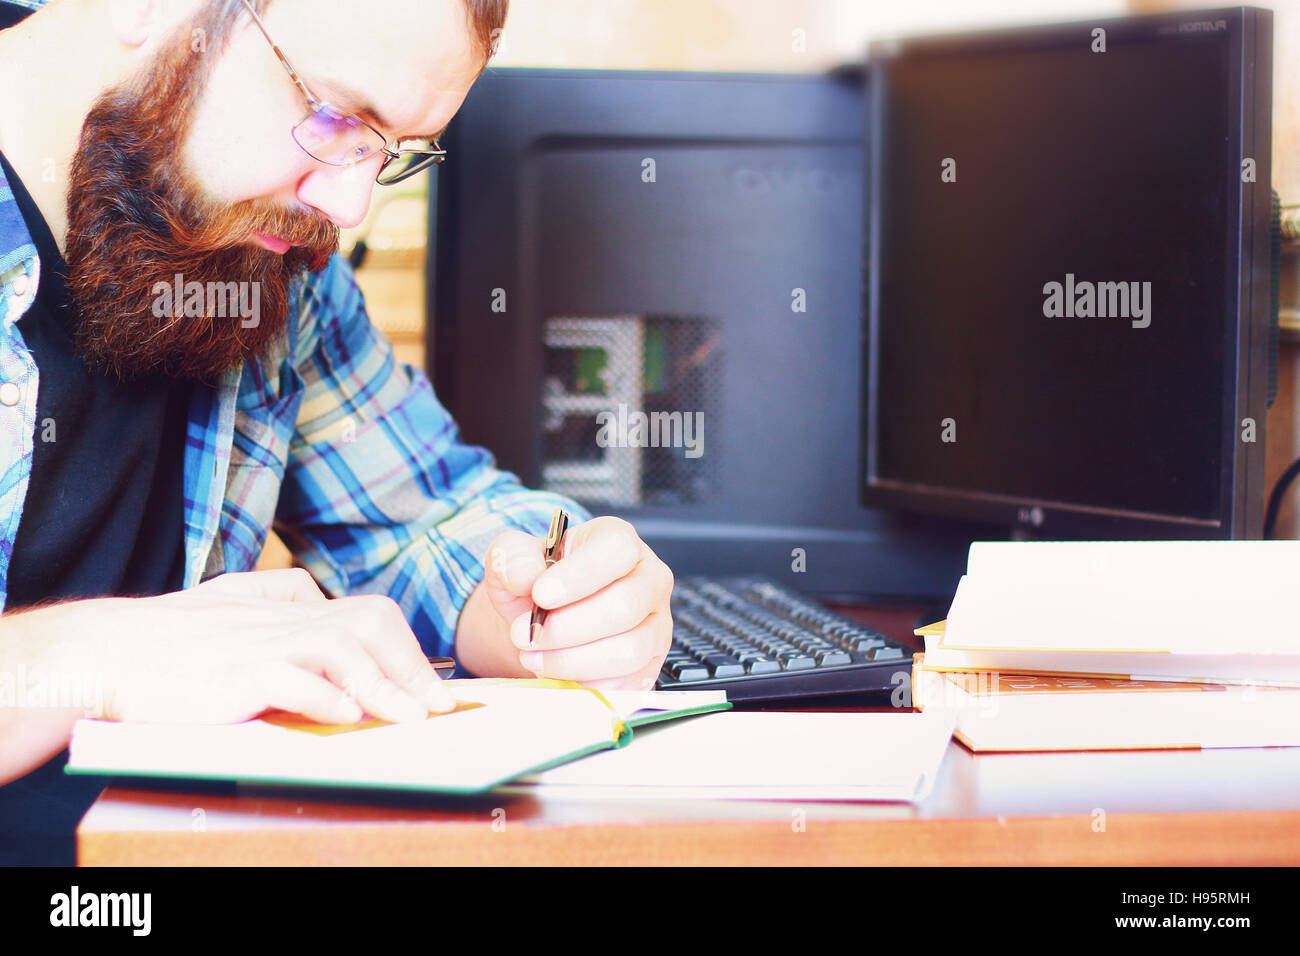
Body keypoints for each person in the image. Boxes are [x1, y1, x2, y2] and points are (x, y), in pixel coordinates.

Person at [0, 0, 674, 863]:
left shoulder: (261, 256)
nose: (348, 205)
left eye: (388, 152)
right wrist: (97, 656)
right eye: (331, 115)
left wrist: (559, 606)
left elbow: (422, 522)